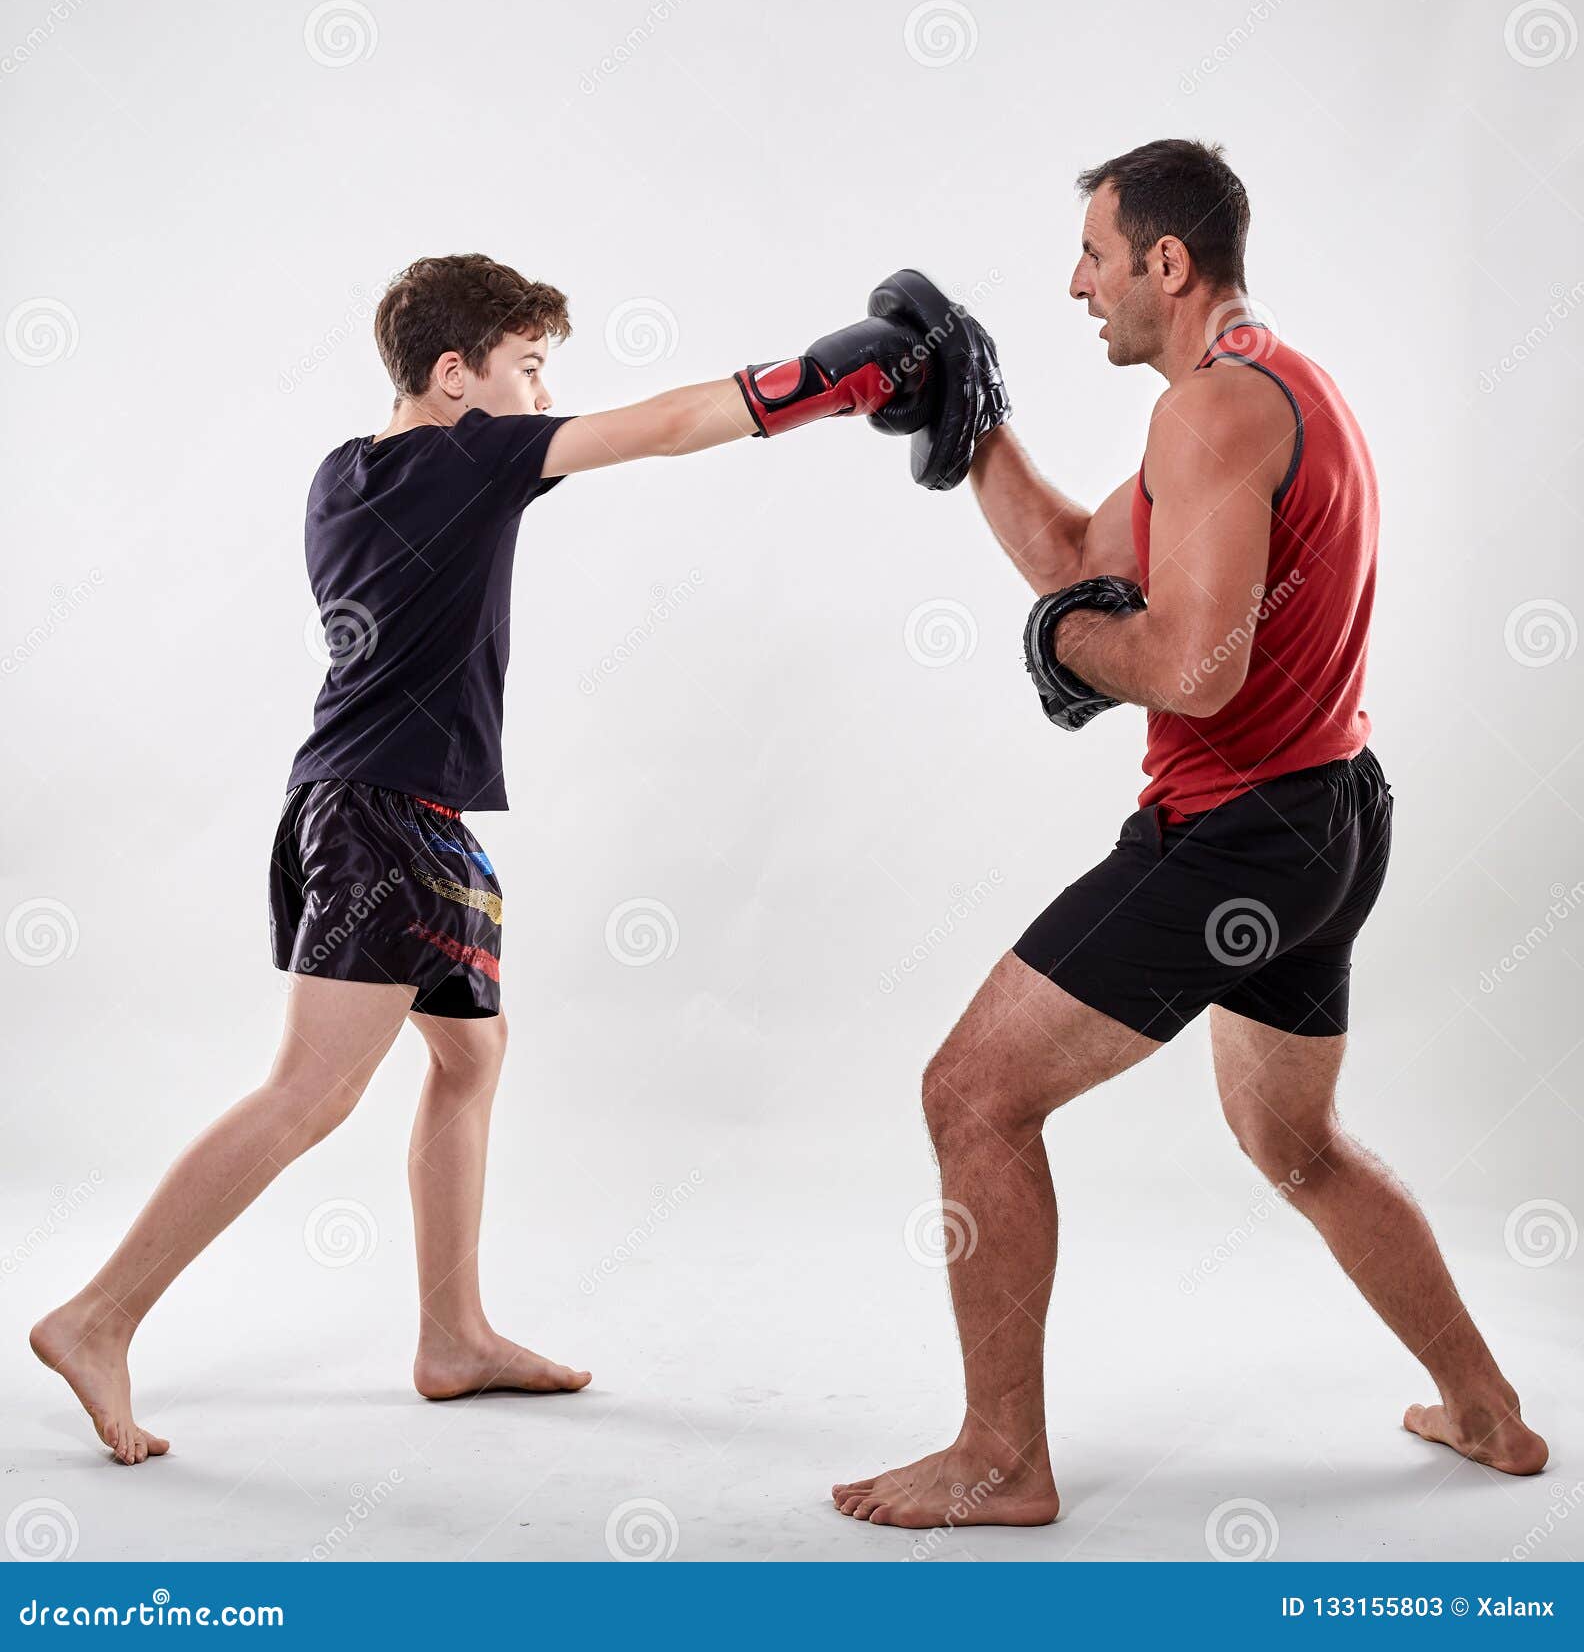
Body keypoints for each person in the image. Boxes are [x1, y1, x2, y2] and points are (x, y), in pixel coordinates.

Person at [31, 253, 923, 1464]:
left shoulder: (344, 473)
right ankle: (97, 1316)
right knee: (309, 1091)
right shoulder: (470, 455)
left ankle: (452, 1335)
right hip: (380, 821)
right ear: (457, 377)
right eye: (530, 368)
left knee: (468, 1055)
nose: (543, 393)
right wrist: (842, 371)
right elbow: (664, 427)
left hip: (390, 813)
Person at [832, 140, 1548, 1531]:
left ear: (1167, 264)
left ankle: (999, 1456)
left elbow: (1193, 665)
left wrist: (1066, 649)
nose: (1077, 283)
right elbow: (1072, 563)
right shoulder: (1271, 387)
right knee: (1301, 1145)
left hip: (1240, 835)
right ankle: (1485, 1409)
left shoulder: (1210, 415)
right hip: (1332, 814)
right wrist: (970, 424)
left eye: (1095, 256)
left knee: (971, 1094)